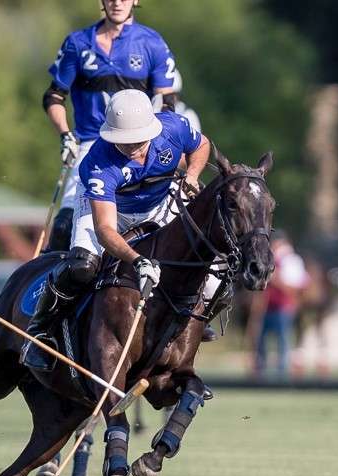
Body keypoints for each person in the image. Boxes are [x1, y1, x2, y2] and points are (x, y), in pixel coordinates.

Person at [21, 89, 210, 372]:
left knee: (199, 251)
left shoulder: (174, 126)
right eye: (123, 141)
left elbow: (202, 145)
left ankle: (191, 319)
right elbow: (106, 230)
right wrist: (137, 260)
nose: (131, 147)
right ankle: (39, 332)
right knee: (82, 266)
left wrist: (193, 175)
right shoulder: (98, 164)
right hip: (111, 210)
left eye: (137, 140)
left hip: (158, 201)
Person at [42, 0, 179, 252]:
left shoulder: (152, 43)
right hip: (92, 145)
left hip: (141, 145)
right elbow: (54, 97)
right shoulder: (78, 43)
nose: (117, 2)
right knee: (63, 226)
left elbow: (166, 102)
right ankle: (50, 289)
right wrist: (65, 135)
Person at [253, 230, 309, 379]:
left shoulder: (291, 260)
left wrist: (275, 278)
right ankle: (260, 371)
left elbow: (296, 286)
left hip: (283, 308)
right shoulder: (268, 260)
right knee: (260, 340)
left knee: (283, 340)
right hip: (266, 307)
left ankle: (282, 374)